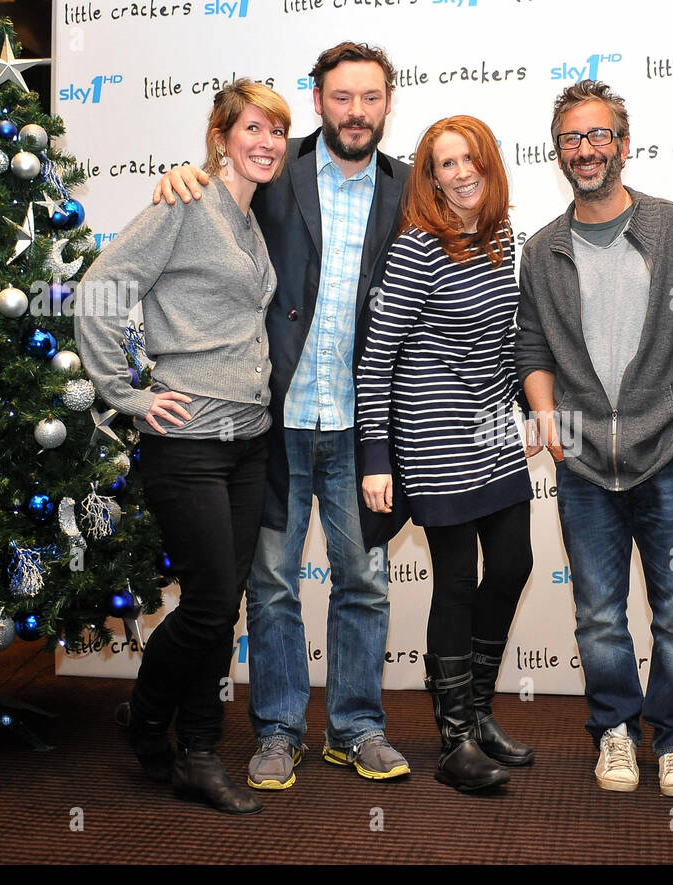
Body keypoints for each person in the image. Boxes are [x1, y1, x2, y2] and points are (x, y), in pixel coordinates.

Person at [153, 43, 413, 791]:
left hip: (361, 427)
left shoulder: (406, 188)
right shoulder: (275, 171)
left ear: (387, 102)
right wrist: (183, 173)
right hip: (273, 421)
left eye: (369, 97)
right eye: (341, 97)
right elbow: (215, 195)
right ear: (320, 99)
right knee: (270, 583)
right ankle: (276, 730)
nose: (355, 111)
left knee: (364, 579)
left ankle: (358, 727)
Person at [76, 80, 291, 814]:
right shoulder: (187, 201)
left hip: (249, 441)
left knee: (220, 604)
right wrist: (126, 392)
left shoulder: (248, 219)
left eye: (278, 132)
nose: (267, 143)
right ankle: (145, 712)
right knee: (205, 607)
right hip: (189, 440)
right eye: (254, 128)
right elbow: (100, 289)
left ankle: (198, 752)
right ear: (223, 134)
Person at [516, 80, 673, 798]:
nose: (587, 149)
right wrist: (550, 423)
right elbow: (531, 347)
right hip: (586, 467)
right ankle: (615, 733)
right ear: (558, 151)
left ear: (623, 145)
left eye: (599, 136)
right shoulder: (543, 248)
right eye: (572, 138)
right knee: (600, 616)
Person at [357, 115, 536, 793]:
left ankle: (480, 712)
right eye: (444, 165)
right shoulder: (417, 248)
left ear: (489, 164)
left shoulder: (500, 237)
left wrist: (530, 411)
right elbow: (377, 360)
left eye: (469, 160)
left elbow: (502, 337)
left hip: (492, 426)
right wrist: (377, 454)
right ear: (429, 178)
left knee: (516, 561)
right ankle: (455, 738)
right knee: (457, 578)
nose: (459, 174)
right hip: (432, 434)